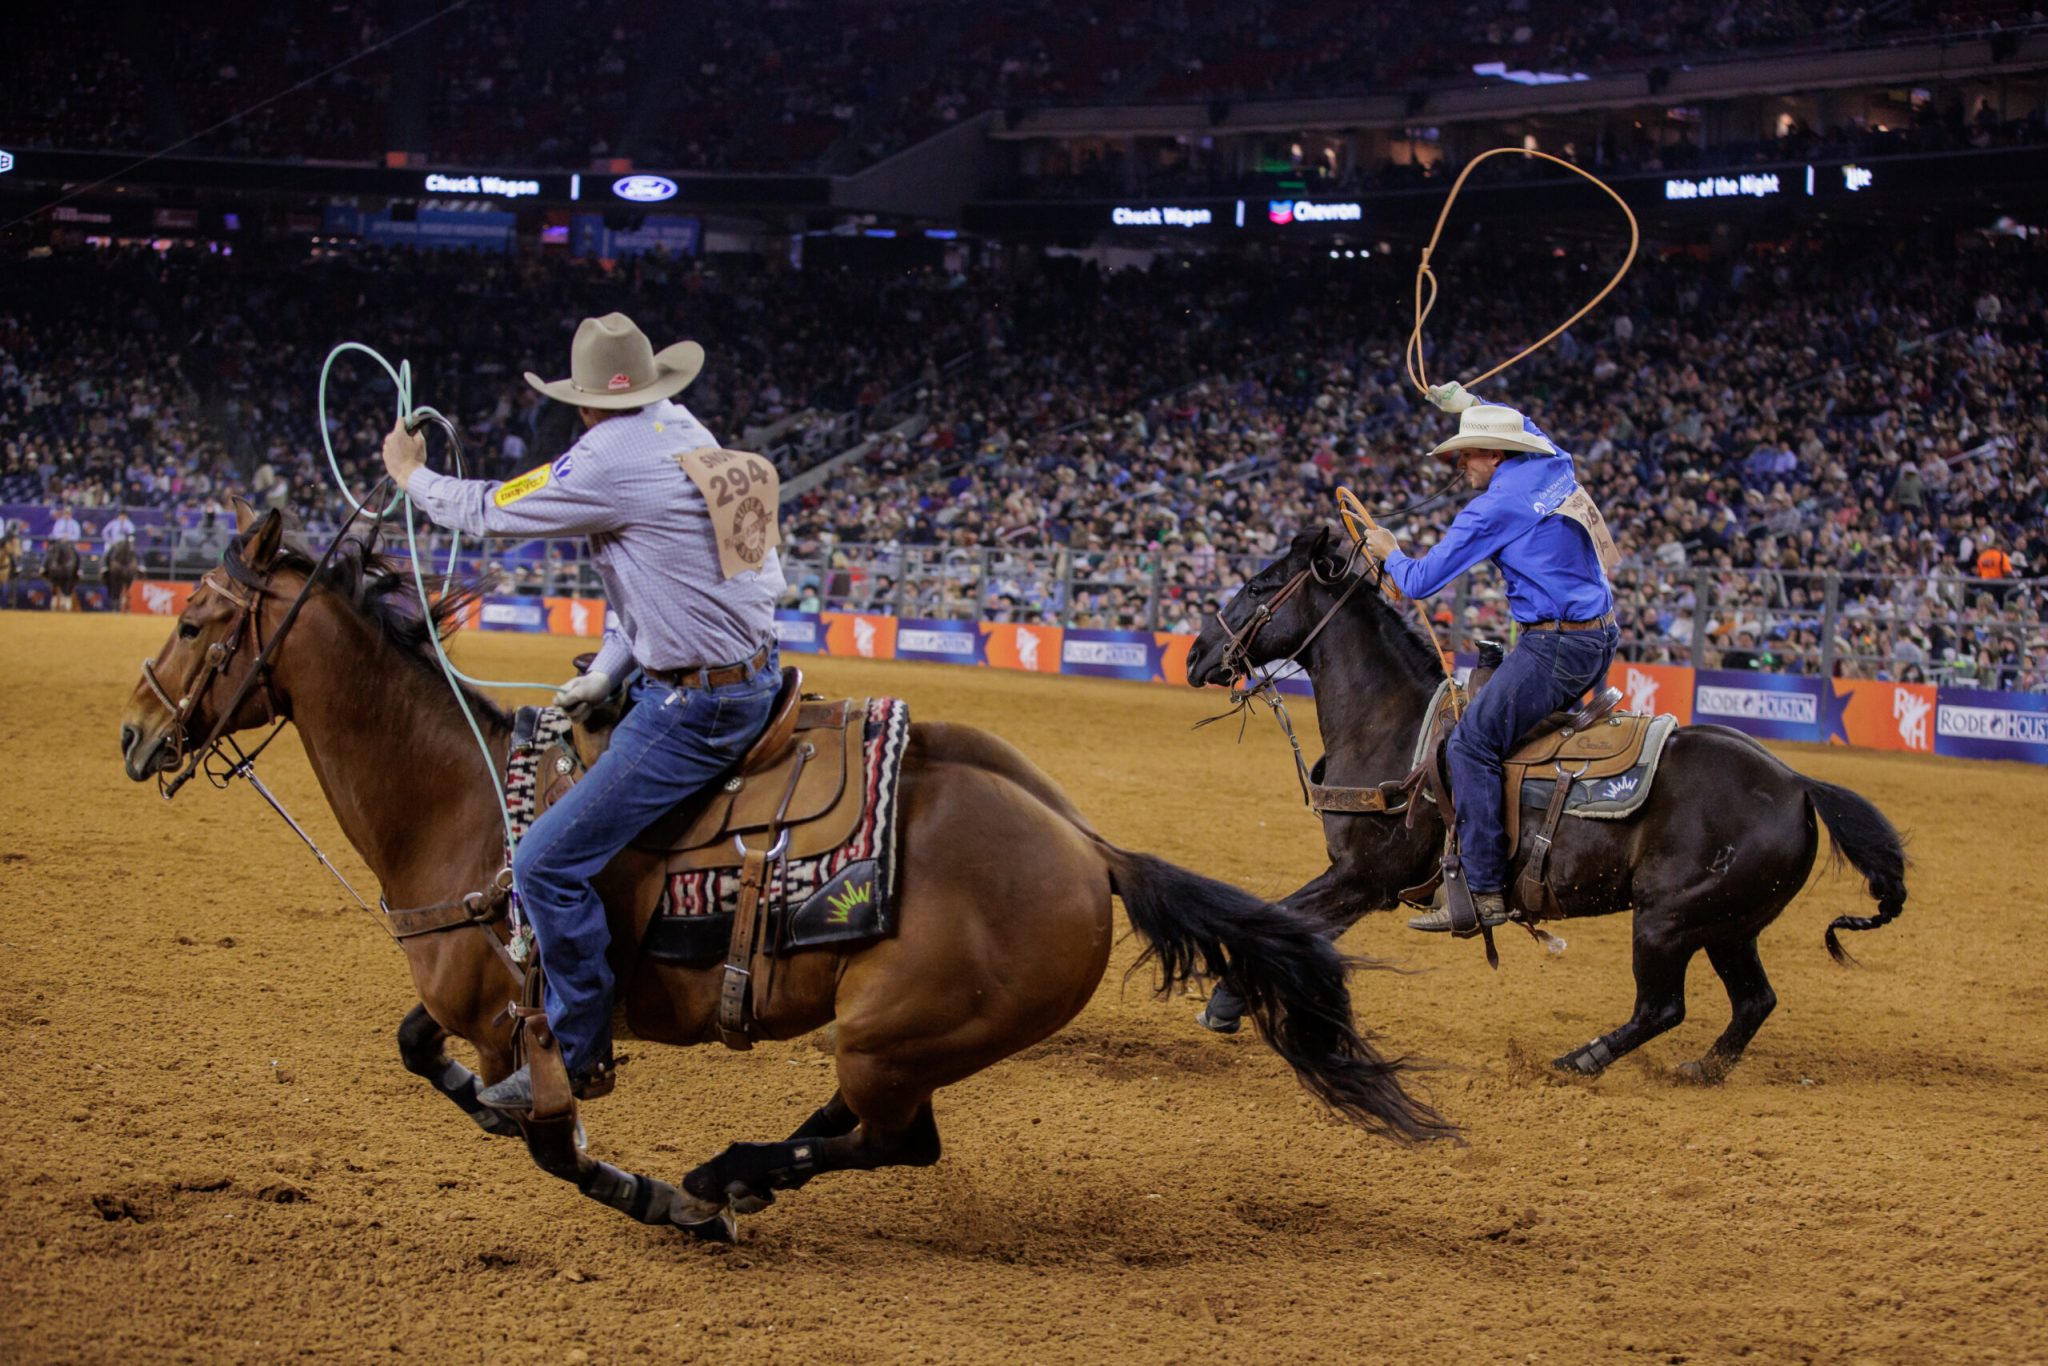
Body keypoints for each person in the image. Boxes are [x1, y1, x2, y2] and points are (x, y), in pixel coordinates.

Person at [380, 313, 786, 1108]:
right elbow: (663, 573)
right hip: (744, 668)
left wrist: (410, 477)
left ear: (585, 404)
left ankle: (576, 1050)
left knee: (543, 864)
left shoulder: (608, 455)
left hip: (697, 702)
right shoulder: (686, 428)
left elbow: (495, 508)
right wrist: (607, 670)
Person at [1360, 387, 1620, 933]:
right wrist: (1466, 402)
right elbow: (1524, 422)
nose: (1462, 463)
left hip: (1556, 647)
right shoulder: (1552, 462)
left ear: (1496, 455)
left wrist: (1388, 550)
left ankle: (1482, 890)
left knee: (1472, 741)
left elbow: (1418, 582)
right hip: (1594, 637)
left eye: (1469, 452)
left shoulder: (1492, 508)